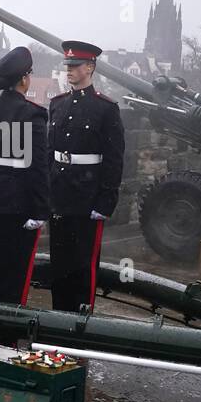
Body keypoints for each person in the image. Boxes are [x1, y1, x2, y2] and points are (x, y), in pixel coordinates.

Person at [0, 46, 50, 340]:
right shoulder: (33, 115)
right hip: (16, 209)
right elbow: (38, 168)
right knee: (12, 280)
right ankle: (4, 343)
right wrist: (40, 211)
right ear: (24, 79)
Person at [48, 41, 125, 312]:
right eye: (67, 65)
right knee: (59, 266)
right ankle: (59, 320)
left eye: (75, 65)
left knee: (83, 266)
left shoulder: (105, 109)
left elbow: (114, 159)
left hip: (87, 196)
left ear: (90, 68)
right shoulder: (57, 104)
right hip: (60, 195)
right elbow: (50, 153)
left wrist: (105, 201)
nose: (69, 70)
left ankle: (80, 322)